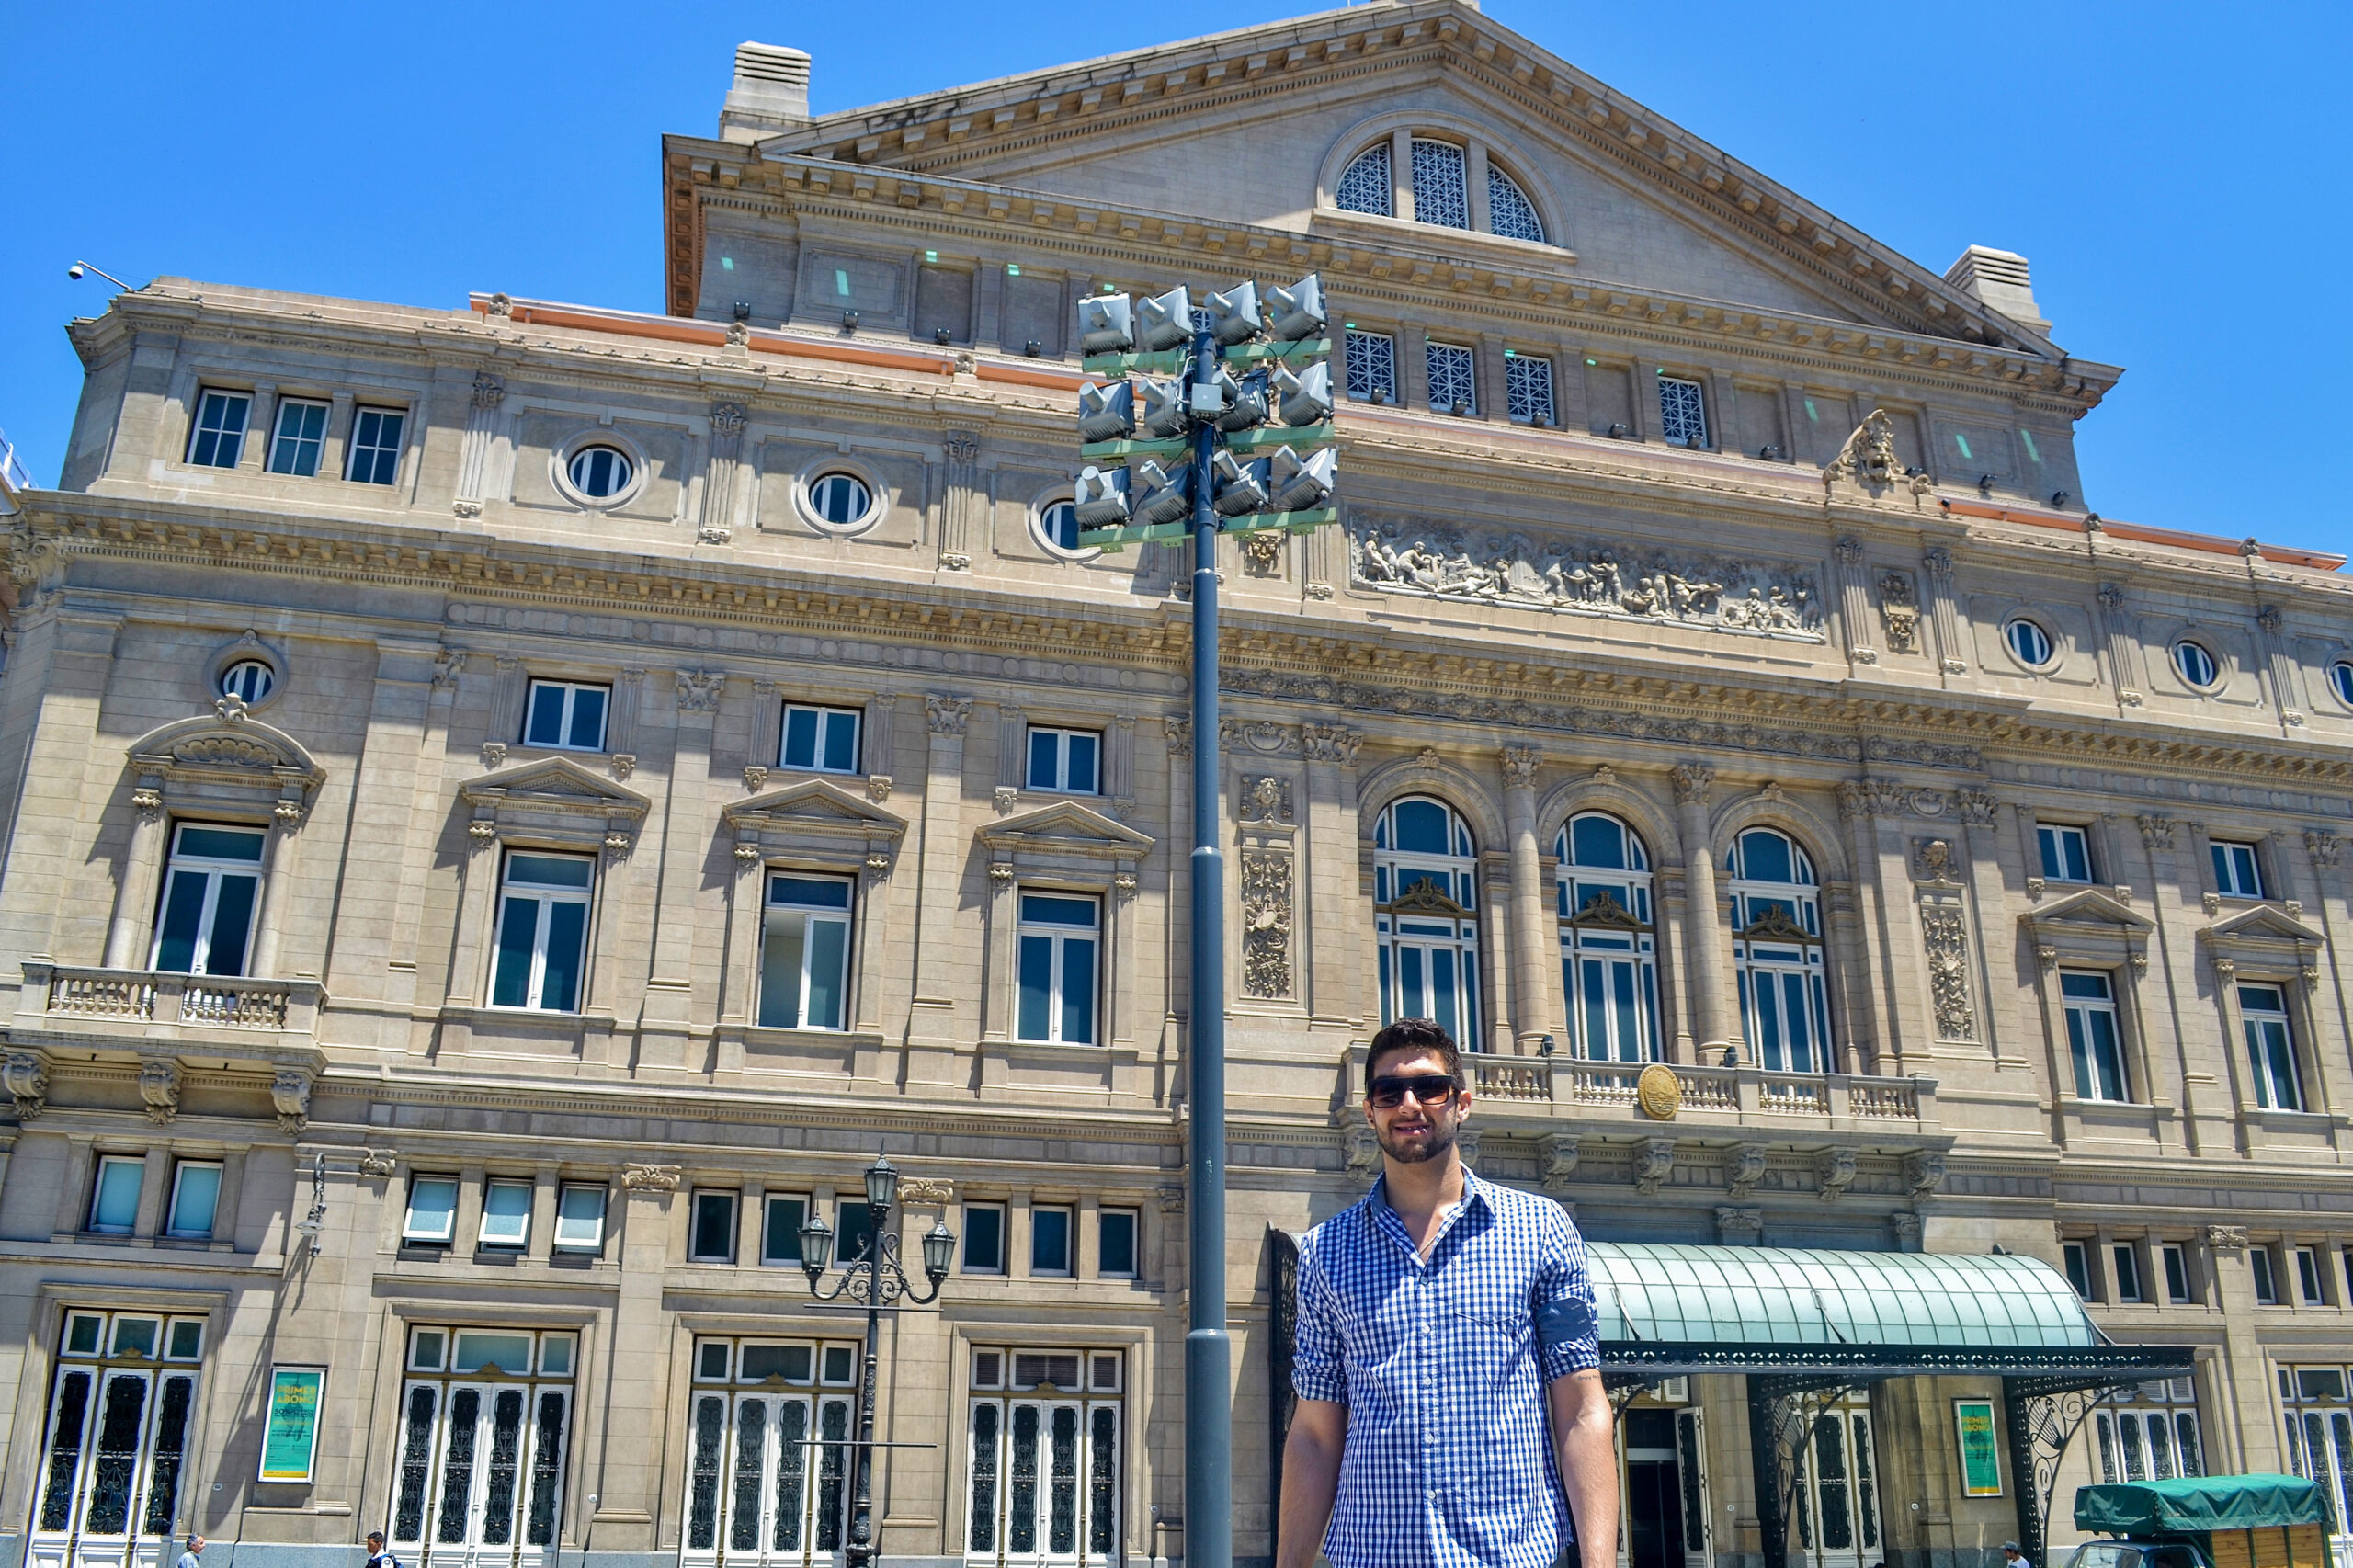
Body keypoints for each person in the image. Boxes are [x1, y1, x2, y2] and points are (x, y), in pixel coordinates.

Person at [1275, 1017, 1619, 1568]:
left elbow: (1581, 1408)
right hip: (1374, 1556)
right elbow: (1315, 1435)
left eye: (1429, 1087)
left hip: (1512, 1555)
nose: (1409, 1103)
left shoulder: (1542, 1229)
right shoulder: (1324, 1253)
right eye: (1389, 1090)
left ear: (1460, 1103)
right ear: (1370, 1111)